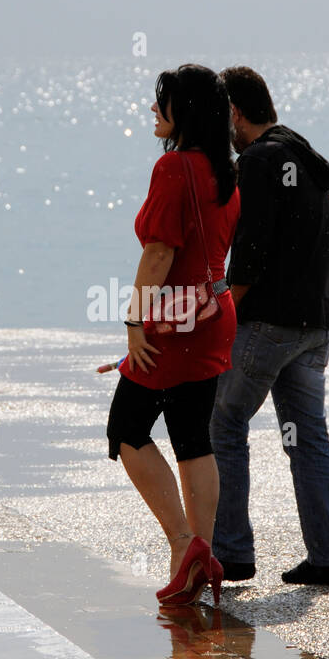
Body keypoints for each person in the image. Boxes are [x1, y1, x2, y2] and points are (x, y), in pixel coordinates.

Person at [106, 64, 240, 606]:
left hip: (173, 322)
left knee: (126, 428)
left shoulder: (174, 169)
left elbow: (158, 251)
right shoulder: (223, 169)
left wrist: (135, 319)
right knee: (192, 436)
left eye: (161, 103)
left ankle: (183, 543)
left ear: (182, 110)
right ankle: (199, 556)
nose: (152, 111)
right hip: (214, 312)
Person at [210, 66, 329, 586]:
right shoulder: (304, 155)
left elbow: (250, 251)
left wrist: (223, 307)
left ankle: (233, 552)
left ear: (235, 112)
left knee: (223, 424)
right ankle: (328, 556)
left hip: (268, 324)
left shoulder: (259, 160)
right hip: (316, 323)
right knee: (307, 438)